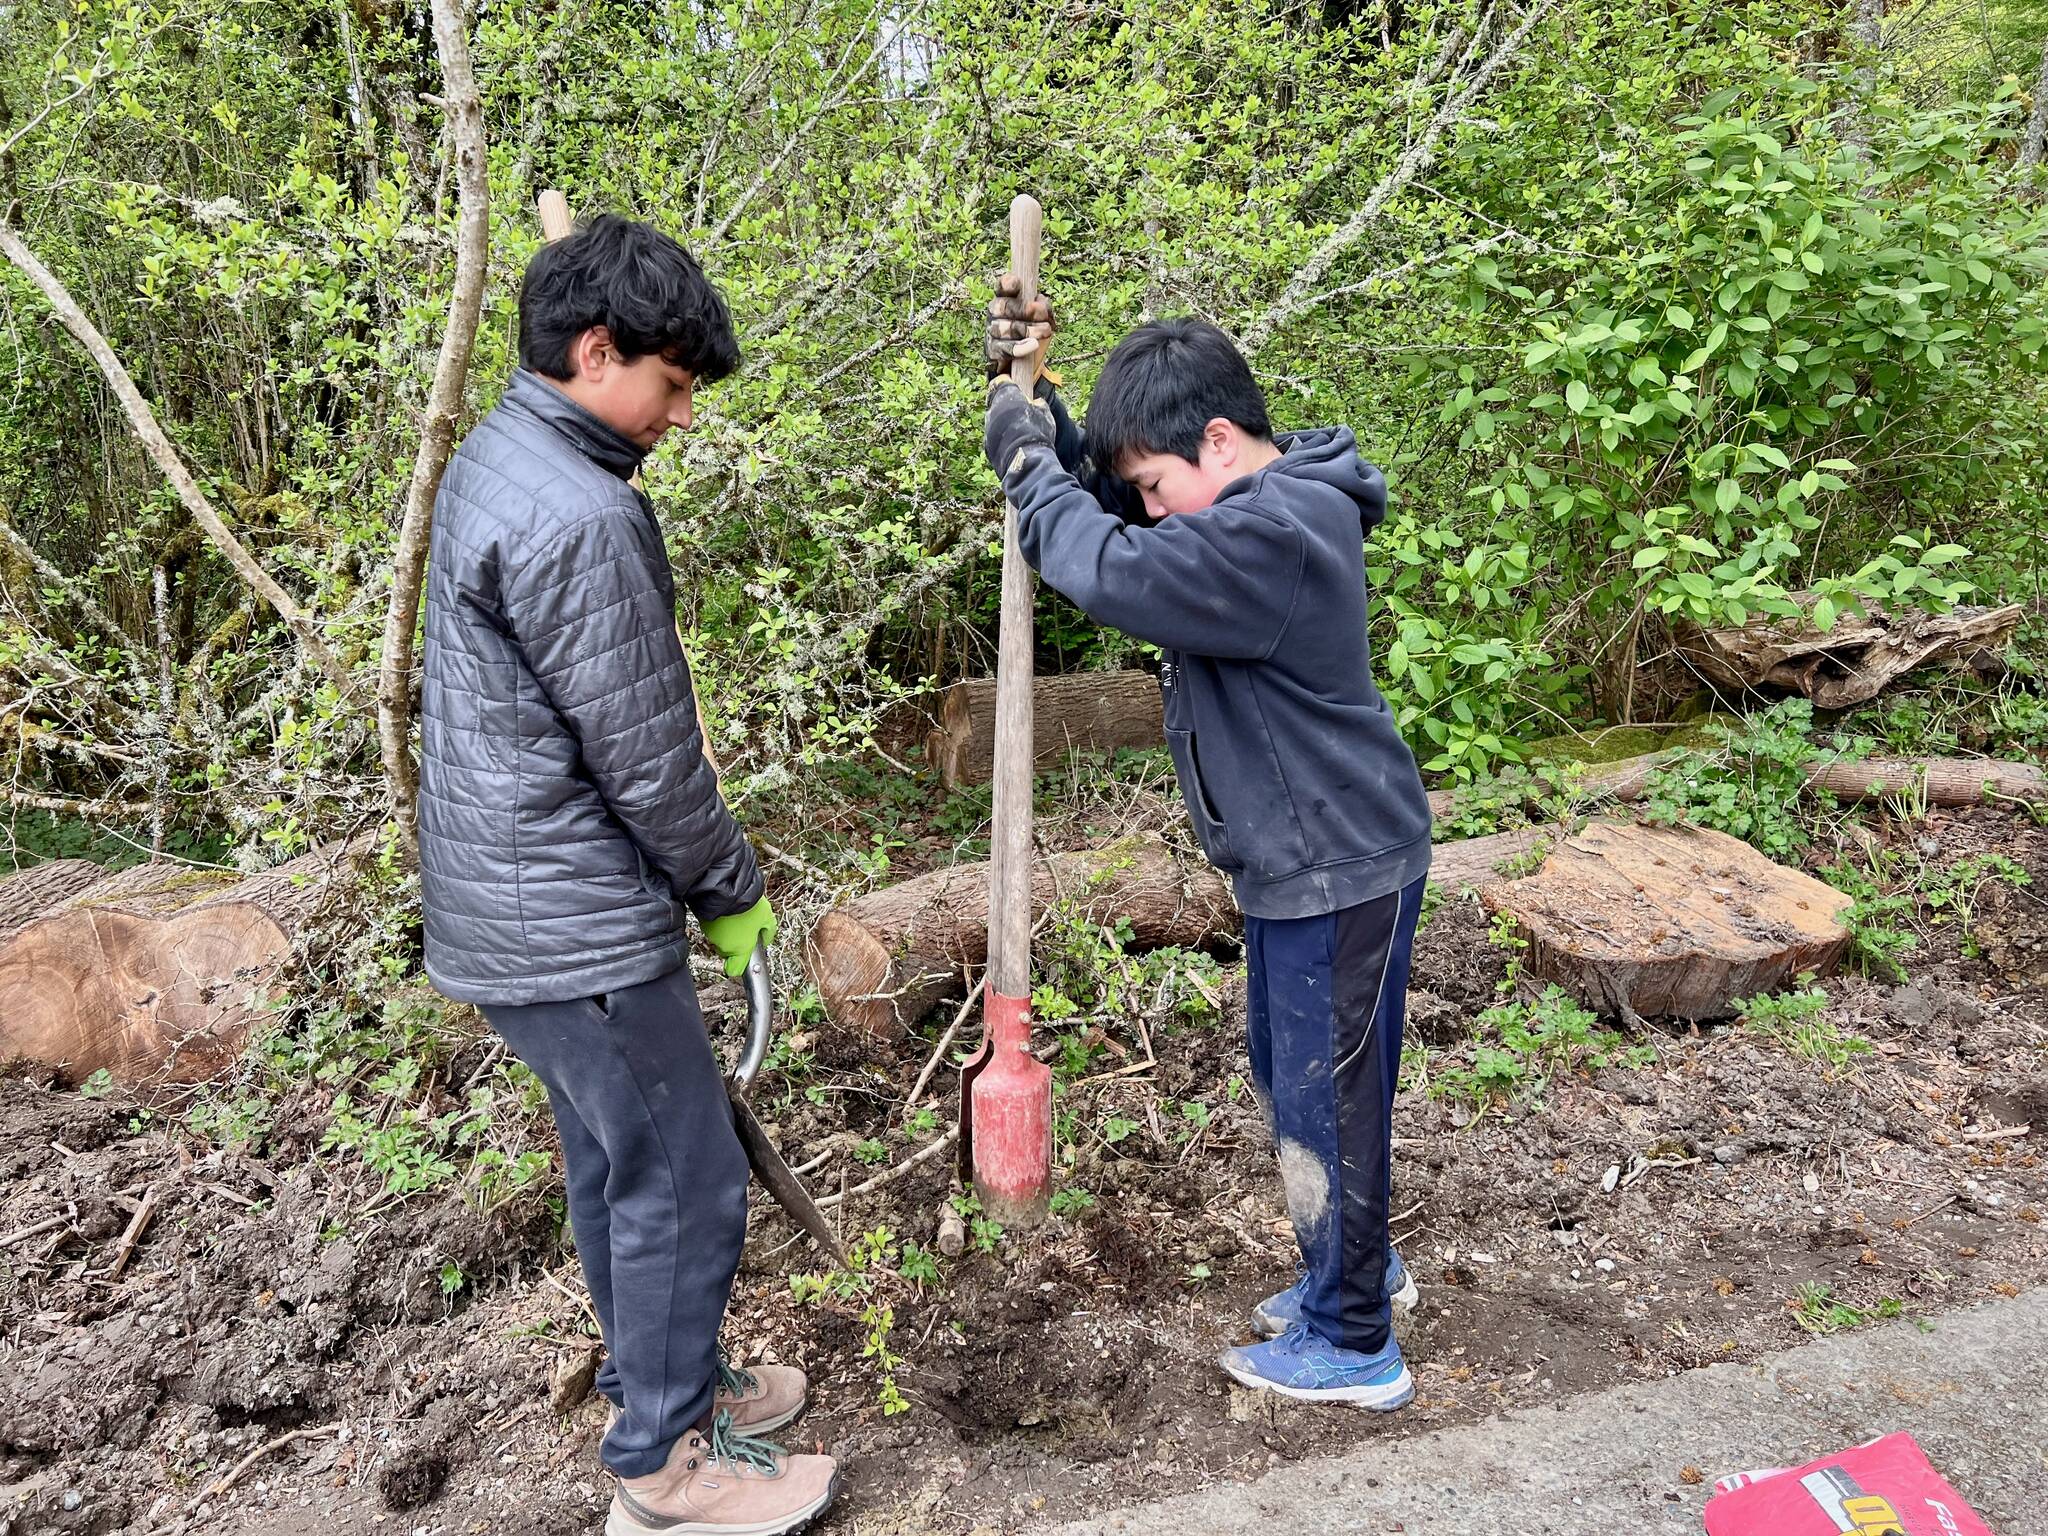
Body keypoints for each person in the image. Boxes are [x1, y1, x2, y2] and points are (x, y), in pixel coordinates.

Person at [418, 213, 836, 1535]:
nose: (683, 416)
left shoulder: (498, 456)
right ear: (596, 352)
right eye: (670, 384)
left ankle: (678, 1379)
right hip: (576, 923)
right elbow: (651, 765)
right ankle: (664, 1467)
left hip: (509, 915)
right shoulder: (583, 514)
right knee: (686, 1175)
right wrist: (731, 888)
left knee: (616, 1164)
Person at [982, 290, 1432, 1408]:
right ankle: (1352, 1267)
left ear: (1218, 442)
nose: (1148, 510)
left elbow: (1110, 567)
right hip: (1321, 853)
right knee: (1303, 1079)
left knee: (1321, 1097)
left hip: (1329, 861)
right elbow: (1128, 528)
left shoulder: (1270, 535)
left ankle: (1351, 1337)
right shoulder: (1260, 506)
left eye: (1154, 484)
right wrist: (1034, 400)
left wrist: (1029, 470)